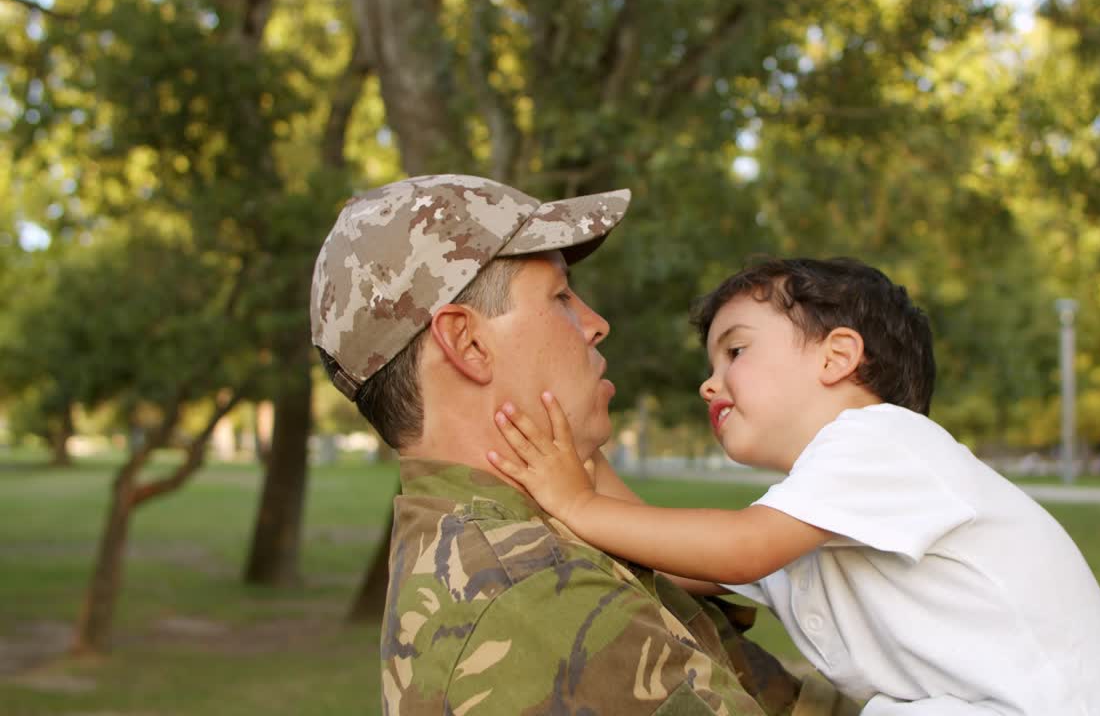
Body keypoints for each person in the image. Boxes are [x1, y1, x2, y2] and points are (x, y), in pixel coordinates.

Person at [309, 176, 861, 716]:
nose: (597, 324)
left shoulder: (539, 533)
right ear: (468, 343)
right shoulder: (534, 594)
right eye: (561, 296)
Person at [489, 258, 1100, 715]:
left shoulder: (881, 439)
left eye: (735, 352)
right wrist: (586, 460)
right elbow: (684, 566)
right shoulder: (816, 512)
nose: (709, 384)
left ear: (837, 357)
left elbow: (739, 549)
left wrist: (575, 502)